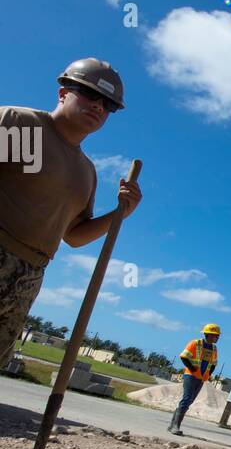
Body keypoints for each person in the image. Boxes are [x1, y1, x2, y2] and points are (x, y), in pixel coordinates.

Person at [0, 58, 142, 369]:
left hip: (30, 275)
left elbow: (74, 237)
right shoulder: (21, 124)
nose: (99, 107)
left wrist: (121, 213)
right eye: (90, 95)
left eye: (108, 104)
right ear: (63, 92)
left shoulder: (86, 172)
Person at [168, 323, 221, 434]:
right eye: (216, 335)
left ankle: (172, 425)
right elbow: (183, 356)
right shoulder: (195, 343)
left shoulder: (214, 348)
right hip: (191, 376)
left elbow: (214, 364)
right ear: (209, 335)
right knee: (187, 399)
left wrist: (208, 374)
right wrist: (193, 369)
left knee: (190, 401)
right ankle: (175, 426)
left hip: (201, 378)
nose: (218, 338)